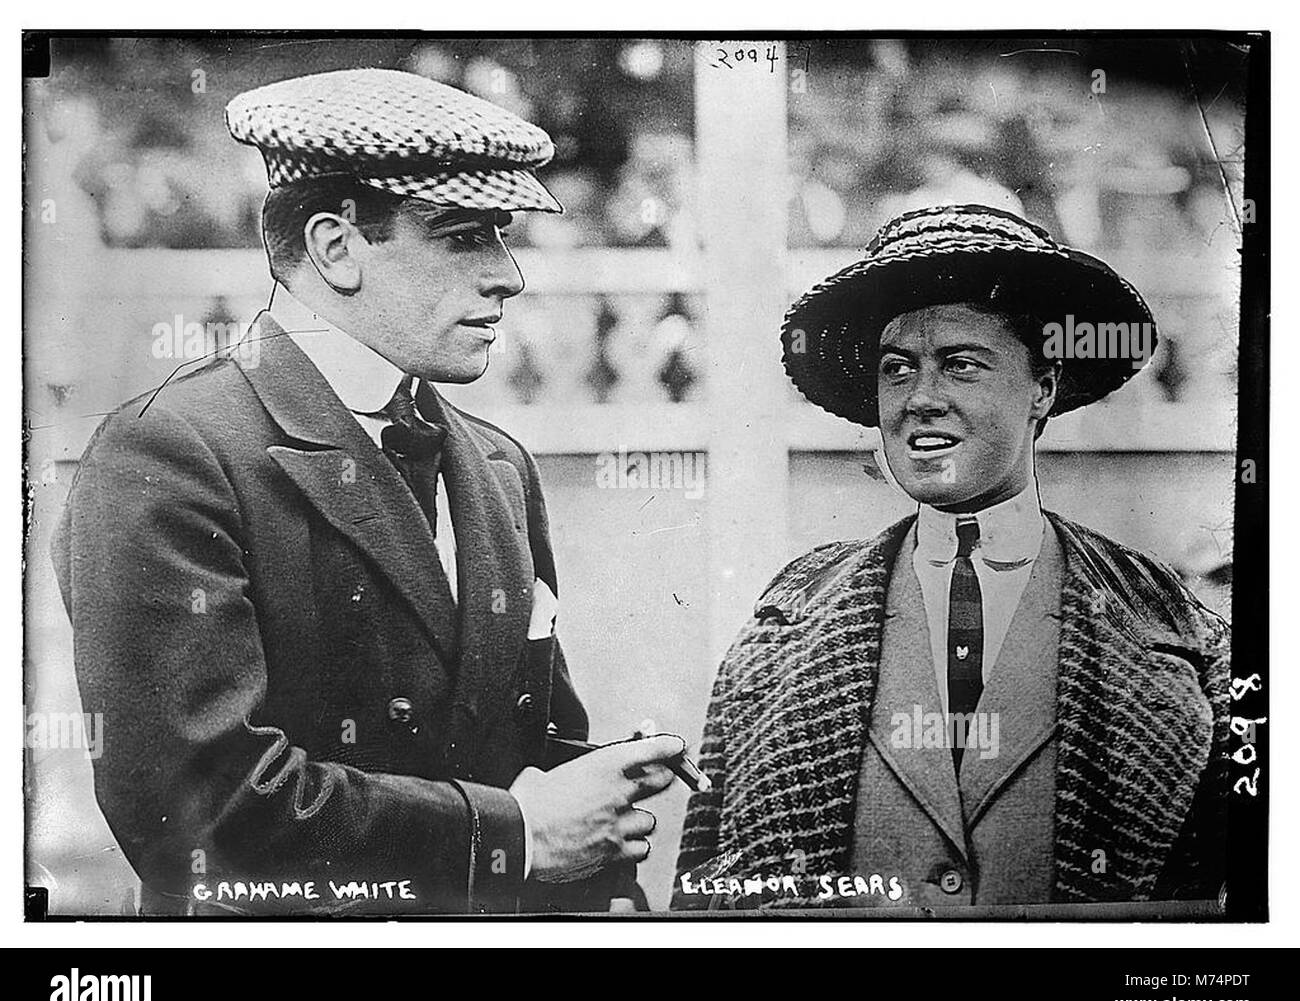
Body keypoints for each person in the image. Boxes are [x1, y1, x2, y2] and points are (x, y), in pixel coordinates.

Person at [51, 67, 684, 916]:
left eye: (501, 236)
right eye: (465, 236)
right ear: (335, 247)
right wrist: (515, 837)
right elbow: (198, 815)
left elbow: (526, 748)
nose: (509, 276)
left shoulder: (495, 465)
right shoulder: (171, 452)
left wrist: (596, 800)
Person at [672, 204, 1231, 910]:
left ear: (1042, 389)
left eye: (961, 365)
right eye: (897, 369)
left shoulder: (1175, 635)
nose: (922, 398)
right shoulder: (781, 636)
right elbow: (706, 896)